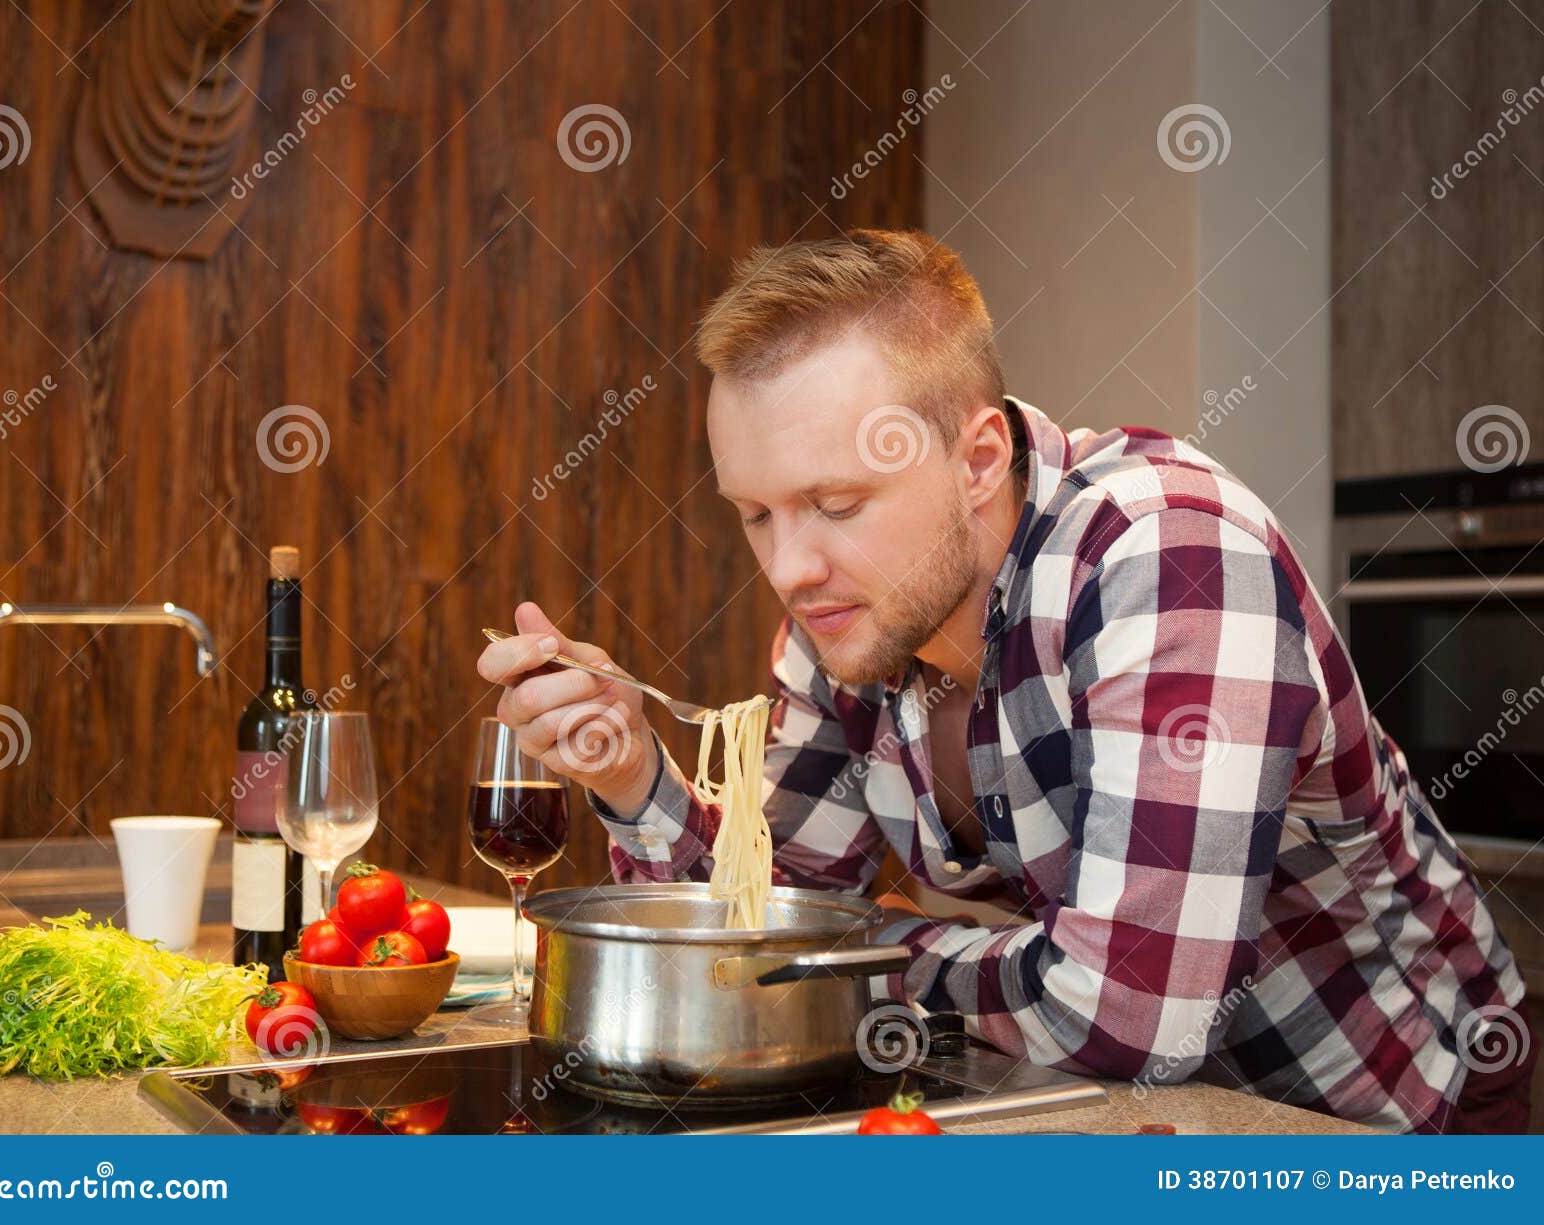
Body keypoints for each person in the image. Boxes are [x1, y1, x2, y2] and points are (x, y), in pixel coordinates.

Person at [478, 229, 1532, 1133]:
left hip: (1377, 1118)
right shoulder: (850, 616)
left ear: (978, 457)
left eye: (835, 502)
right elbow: (752, 931)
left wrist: (853, 943)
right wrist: (629, 773)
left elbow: (1129, 1016)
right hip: (1112, 1112)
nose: (789, 567)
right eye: (756, 513)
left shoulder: (1169, 561)